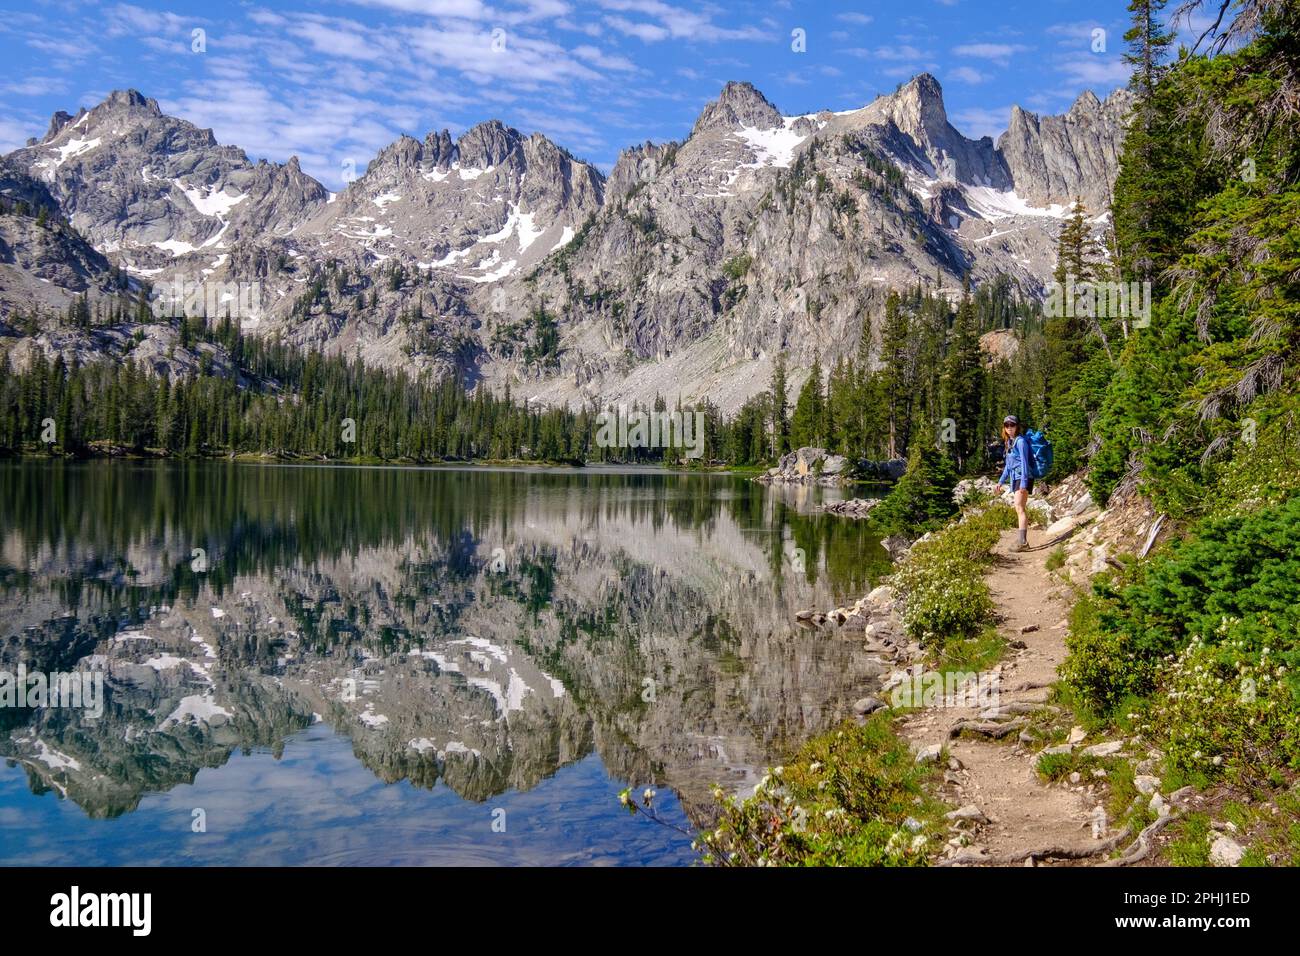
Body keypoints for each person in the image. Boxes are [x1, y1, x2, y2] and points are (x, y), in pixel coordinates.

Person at [995, 414, 1034, 552]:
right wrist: (1000, 481)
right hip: (1015, 477)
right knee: (1019, 508)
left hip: (1023, 477)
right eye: (1007, 425)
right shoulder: (1009, 442)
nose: (1009, 428)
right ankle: (1022, 540)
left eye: (1012, 425)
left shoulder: (1021, 442)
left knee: (1019, 507)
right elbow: (1008, 465)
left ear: (1017, 426)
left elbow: (1024, 462)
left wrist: (1023, 484)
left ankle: (1023, 542)